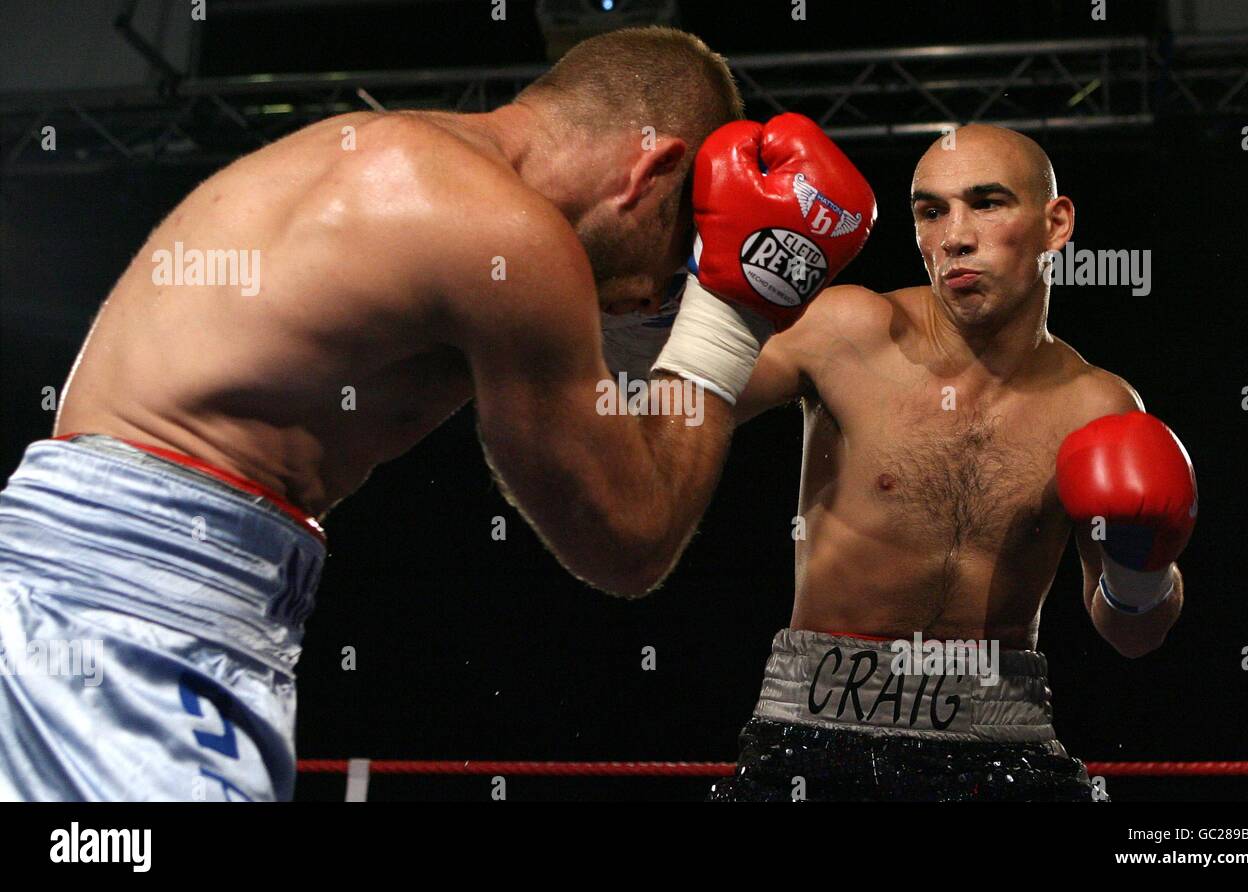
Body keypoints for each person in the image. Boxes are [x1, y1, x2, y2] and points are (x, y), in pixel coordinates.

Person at [0, 26, 875, 800]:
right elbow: (628, 538)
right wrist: (734, 310)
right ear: (652, 170)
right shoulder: (508, 237)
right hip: (140, 603)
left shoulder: (405, 170)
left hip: (92, 570)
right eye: (685, 238)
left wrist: (739, 300)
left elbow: (605, 360)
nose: (669, 282)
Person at [705, 124, 1196, 801]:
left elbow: (1133, 639)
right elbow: (673, 408)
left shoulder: (1099, 404)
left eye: (987, 203)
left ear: (1056, 224)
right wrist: (722, 287)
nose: (954, 238)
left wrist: (1142, 571)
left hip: (1001, 734)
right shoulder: (848, 331)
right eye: (931, 211)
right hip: (817, 727)